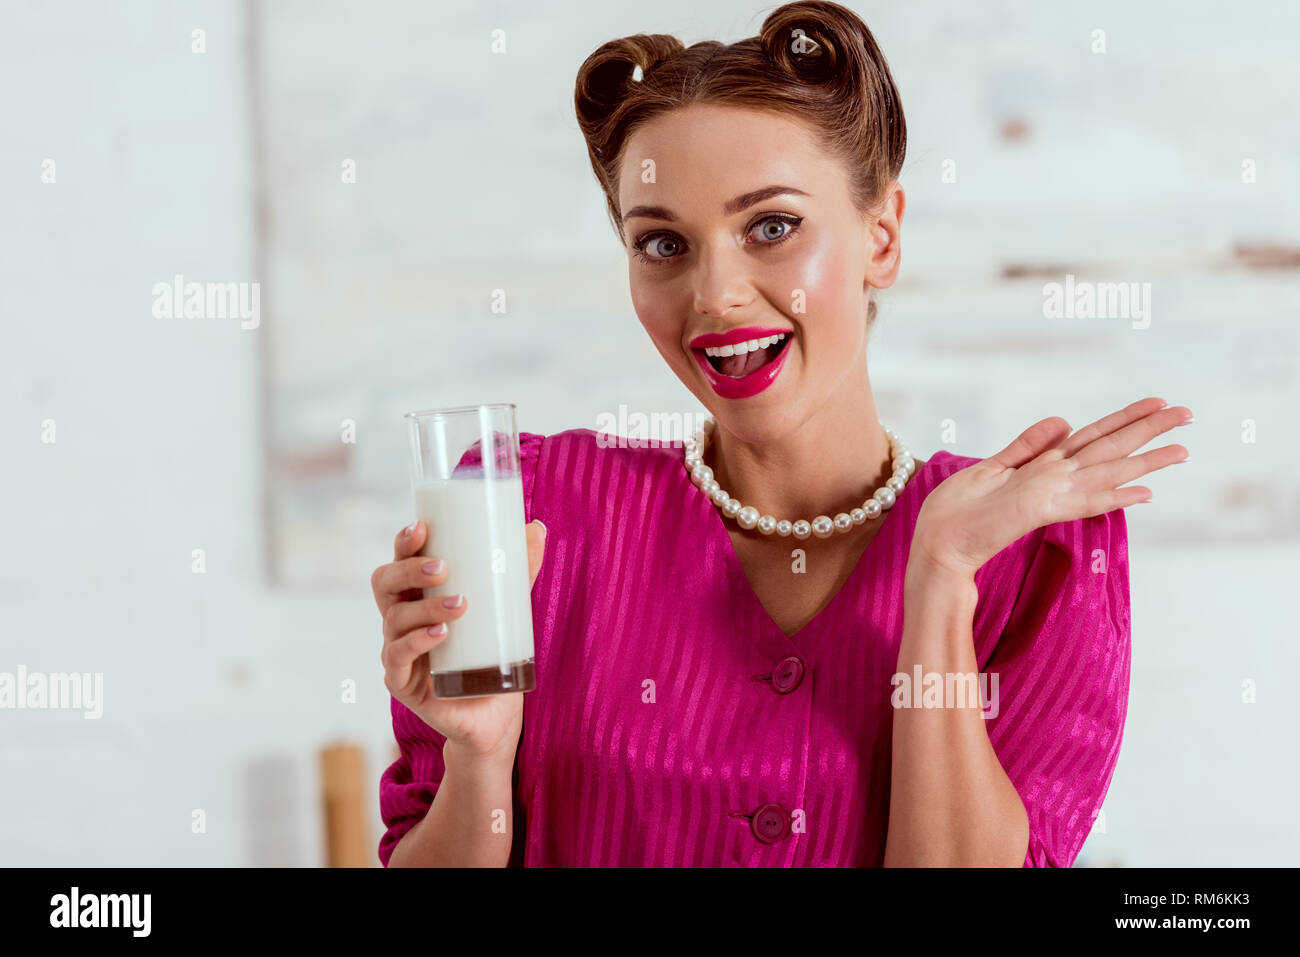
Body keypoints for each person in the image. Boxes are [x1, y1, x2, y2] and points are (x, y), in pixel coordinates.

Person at [371, 0, 1192, 867]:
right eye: (661, 243)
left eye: (772, 227)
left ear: (882, 237)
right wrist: (479, 749)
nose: (715, 294)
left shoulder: (1030, 552)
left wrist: (943, 577)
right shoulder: (530, 511)